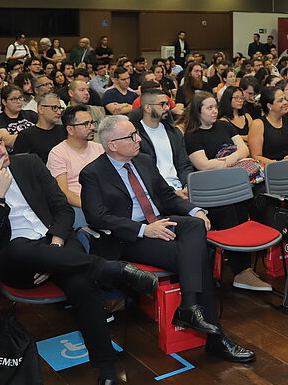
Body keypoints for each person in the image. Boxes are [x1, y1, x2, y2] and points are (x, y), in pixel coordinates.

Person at [0, 117, 158, 385]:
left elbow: (62, 208)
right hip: (16, 262)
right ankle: (114, 270)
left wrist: (55, 247)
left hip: (58, 246)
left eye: (0, 141)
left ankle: (107, 375)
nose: (1, 149)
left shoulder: (29, 164)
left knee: (81, 286)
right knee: (19, 248)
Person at [80, 115, 255, 363]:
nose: (138, 139)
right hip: (129, 237)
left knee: (195, 225)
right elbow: (97, 218)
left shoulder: (143, 160)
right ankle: (212, 334)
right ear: (113, 145)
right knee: (197, 257)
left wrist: (195, 209)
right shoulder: (93, 173)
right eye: (131, 136)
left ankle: (190, 308)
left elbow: (166, 195)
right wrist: (143, 230)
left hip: (160, 221)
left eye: (136, 134)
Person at [182, 90, 268, 292]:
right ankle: (241, 270)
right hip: (211, 190)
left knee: (256, 201)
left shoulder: (224, 125)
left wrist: (224, 162)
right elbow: (203, 165)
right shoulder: (192, 136)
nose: (214, 111)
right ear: (198, 111)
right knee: (230, 209)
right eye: (209, 108)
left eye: (215, 107)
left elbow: (244, 150)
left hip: (234, 183)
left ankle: (244, 267)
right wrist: (232, 160)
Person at [47, 105, 105, 227]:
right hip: (77, 205)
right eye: (86, 124)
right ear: (70, 129)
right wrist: (90, 206)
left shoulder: (99, 148)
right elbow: (63, 191)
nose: (92, 127)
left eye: (92, 123)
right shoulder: (58, 153)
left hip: (104, 202)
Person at [132, 89, 194, 196]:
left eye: (168, 104)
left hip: (180, 188)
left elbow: (184, 164)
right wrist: (172, 191)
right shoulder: (136, 136)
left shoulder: (174, 133)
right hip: (155, 192)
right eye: (162, 104)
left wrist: (187, 186)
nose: (167, 108)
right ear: (147, 107)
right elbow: (144, 173)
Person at [248, 85, 288, 165]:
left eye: (285, 99)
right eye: (280, 100)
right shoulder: (258, 124)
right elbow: (256, 156)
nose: (285, 103)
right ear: (269, 106)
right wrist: (278, 164)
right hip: (272, 168)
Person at [13, 92, 67, 162]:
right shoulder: (26, 136)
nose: (59, 112)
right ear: (40, 109)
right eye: (54, 108)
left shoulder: (64, 130)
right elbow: (21, 164)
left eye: (60, 108)